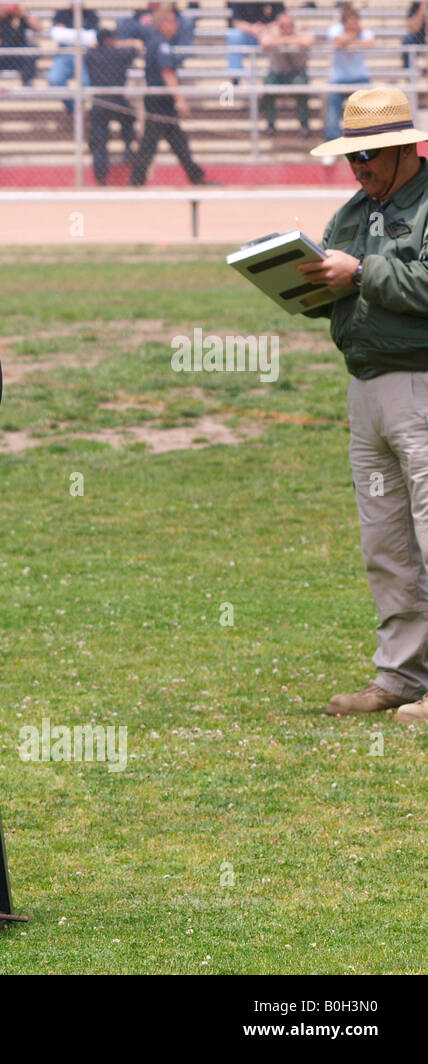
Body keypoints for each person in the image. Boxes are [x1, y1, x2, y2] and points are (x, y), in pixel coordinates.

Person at [298, 87, 428, 725]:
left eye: (370, 155)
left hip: (423, 384)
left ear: (407, 148)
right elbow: (337, 281)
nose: (360, 168)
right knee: (388, 543)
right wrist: (303, 283)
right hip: (367, 388)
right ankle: (401, 676)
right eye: (352, 157)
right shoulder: (352, 211)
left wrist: (362, 275)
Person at [129, 5, 209, 186]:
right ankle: (137, 179)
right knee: (152, 142)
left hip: (160, 100)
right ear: (163, 24)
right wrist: (180, 100)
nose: (177, 25)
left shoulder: (158, 42)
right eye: (173, 21)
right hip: (159, 100)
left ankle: (195, 176)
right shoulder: (162, 44)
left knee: (176, 140)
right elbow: (167, 73)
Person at [86, 29, 142, 184]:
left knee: (99, 141)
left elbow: (90, 49)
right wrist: (119, 44)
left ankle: (100, 176)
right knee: (129, 122)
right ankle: (129, 149)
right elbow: (137, 47)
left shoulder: (91, 54)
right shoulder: (120, 53)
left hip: (99, 101)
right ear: (111, 39)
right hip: (118, 100)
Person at [325, 3, 374, 146]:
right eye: (350, 22)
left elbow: (370, 42)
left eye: (356, 22)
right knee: (333, 105)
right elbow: (338, 42)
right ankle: (333, 142)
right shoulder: (335, 29)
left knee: (369, 106)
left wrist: (348, 40)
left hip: (360, 78)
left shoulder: (366, 31)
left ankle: (367, 140)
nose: (354, 25)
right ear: (343, 23)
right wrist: (354, 36)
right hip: (339, 79)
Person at [259, 11, 312, 136]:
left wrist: (281, 40)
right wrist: (289, 40)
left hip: (296, 73)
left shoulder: (301, 32)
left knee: (302, 87)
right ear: (278, 26)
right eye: (283, 26)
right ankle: (270, 124)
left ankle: (304, 124)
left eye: (290, 25)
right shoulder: (271, 33)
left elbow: (307, 42)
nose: (287, 28)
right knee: (267, 87)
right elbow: (265, 43)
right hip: (277, 73)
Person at [47, 6, 100, 116]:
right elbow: (56, 35)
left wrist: (67, 34)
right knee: (55, 80)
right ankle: (73, 108)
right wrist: (82, 35)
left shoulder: (90, 14)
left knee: (86, 83)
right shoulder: (61, 13)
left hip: (84, 54)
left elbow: (93, 38)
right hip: (64, 53)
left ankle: (77, 108)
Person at [0, 4, 44, 87]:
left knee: (33, 49)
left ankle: (27, 83)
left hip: (18, 57)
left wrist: (24, 14)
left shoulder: (18, 17)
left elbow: (39, 28)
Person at [226, 2, 288, 78]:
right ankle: (235, 77)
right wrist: (252, 29)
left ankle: (279, 75)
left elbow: (282, 18)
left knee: (278, 32)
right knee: (234, 35)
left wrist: (265, 28)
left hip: (268, 33)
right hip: (247, 33)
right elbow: (236, 21)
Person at [403, 2, 425, 69]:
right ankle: (410, 74)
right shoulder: (416, 6)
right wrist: (422, 7)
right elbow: (413, 29)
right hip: (420, 40)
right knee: (408, 40)